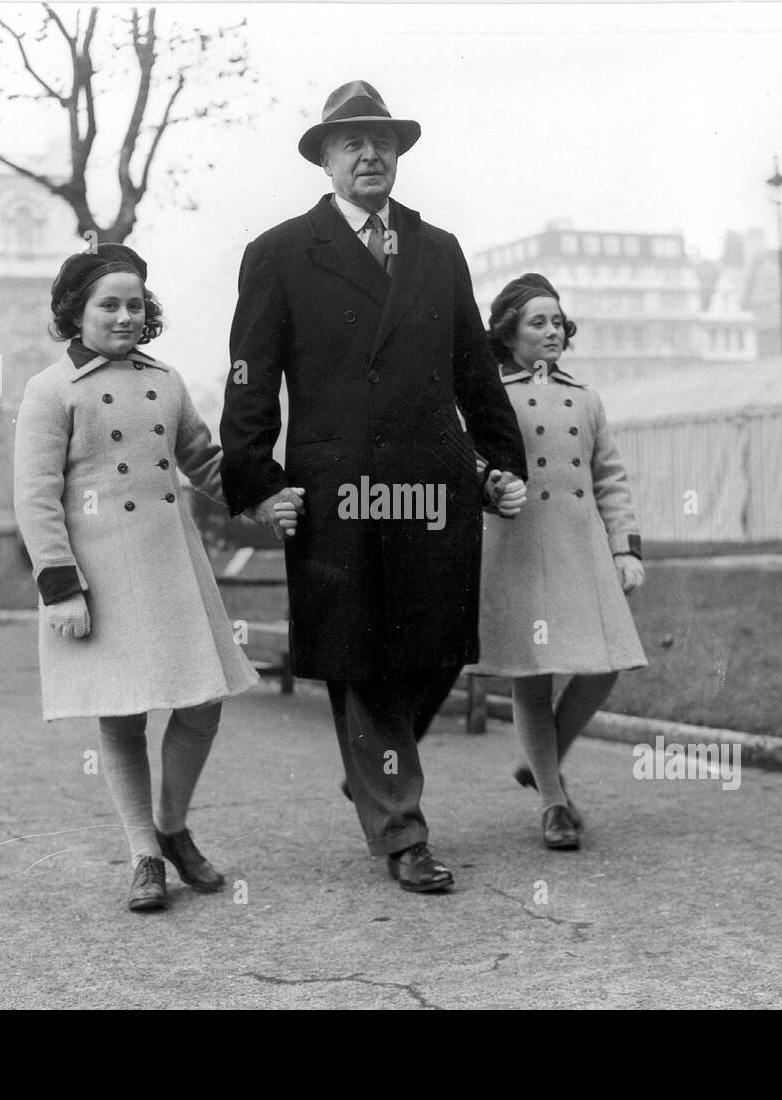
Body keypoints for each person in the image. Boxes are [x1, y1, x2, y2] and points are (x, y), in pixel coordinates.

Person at [220, 80, 528, 893]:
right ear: (324, 159)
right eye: (351, 142)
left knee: (433, 649)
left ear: (399, 154)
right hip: (338, 486)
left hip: (433, 480)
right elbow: (251, 378)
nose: (370, 155)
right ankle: (403, 830)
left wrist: (501, 461)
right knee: (364, 657)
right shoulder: (281, 252)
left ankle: (376, 774)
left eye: (383, 141)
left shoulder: (439, 249)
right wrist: (257, 480)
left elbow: (474, 366)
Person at [14, 243, 294, 912]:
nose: (123, 316)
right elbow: (34, 496)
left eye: (135, 304)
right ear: (74, 313)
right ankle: (144, 851)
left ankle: (173, 825)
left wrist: (261, 496)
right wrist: (60, 587)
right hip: (101, 574)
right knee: (122, 714)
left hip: (170, 562)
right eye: (107, 304)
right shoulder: (50, 390)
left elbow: (204, 461)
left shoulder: (164, 380)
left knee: (201, 702)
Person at [467, 273, 647, 850]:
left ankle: (544, 759)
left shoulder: (586, 397)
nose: (551, 332)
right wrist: (487, 482)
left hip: (581, 544)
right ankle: (552, 800)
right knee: (534, 673)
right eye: (536, 322)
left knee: (608, 663)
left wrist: (625, 549)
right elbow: (467, 458)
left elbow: (611, 480)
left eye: (556, 321)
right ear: (509, 334)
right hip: (518, 543)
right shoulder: (490, 395)